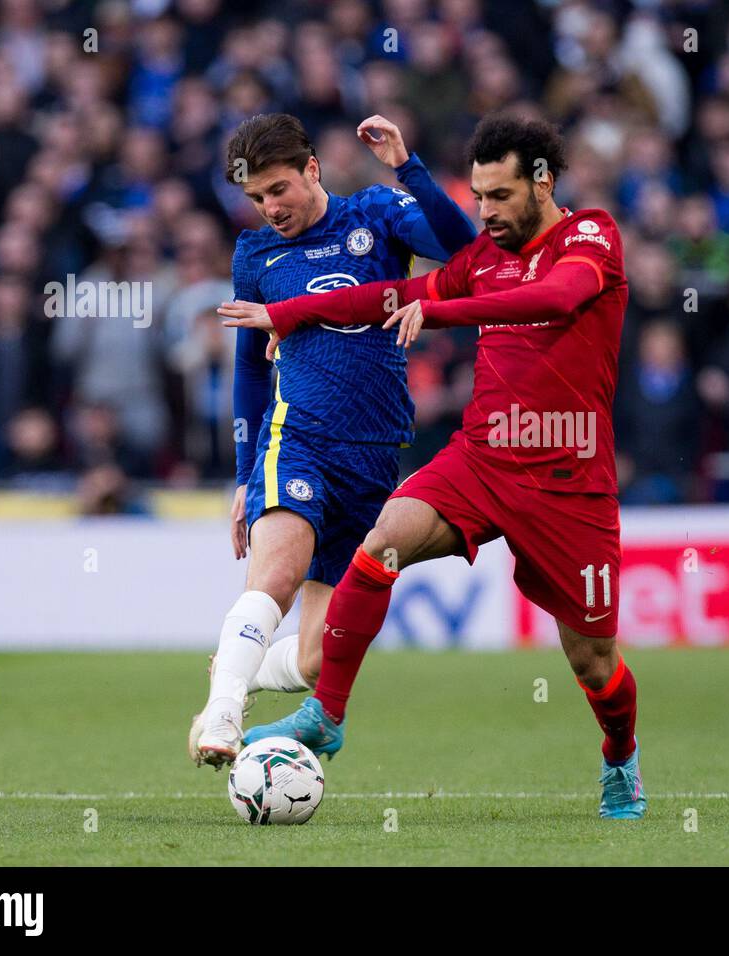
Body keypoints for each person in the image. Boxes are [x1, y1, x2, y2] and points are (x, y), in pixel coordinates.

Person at [219, 114, 645, 818]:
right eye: (479, 197)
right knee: (380, 541)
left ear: (542, 182)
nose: (487, 213)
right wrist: (290, 314)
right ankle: (326, 715)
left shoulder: (589, 235)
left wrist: (448, 313)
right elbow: (392, 297)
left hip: (570, 480)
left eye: (501, 197)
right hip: (482, 459)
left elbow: (557, 298)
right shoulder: (484, 255)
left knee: (593, 664)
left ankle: (620, 756)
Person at [189, 113, 476, 767]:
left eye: (279, 190)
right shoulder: (255, 255)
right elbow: (248, 369)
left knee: (321, 657)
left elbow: (463, 250)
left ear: (312, 170)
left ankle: (234, 671)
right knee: (278, 574)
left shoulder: (375, 215)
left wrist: (409, 167)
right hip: (298, 440)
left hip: (373, 456)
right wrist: (242, 474)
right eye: (257, 197)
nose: (270, 208)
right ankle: (225, 718)